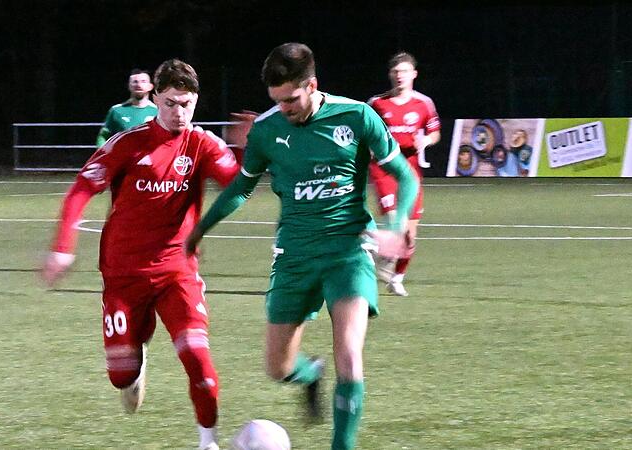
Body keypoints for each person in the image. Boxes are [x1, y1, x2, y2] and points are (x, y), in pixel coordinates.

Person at [186, 43, 419, 450]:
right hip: (294, 256)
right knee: (278, 368)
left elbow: (405, 176)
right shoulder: (267, 130)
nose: (285, 109)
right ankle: (310, 374)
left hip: (348, 250)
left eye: (291, 99)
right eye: (277, 100)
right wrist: (197, 231)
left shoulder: (356, 116)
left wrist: (396, 226)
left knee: (350, 356)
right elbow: (240, 189)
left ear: (312, 85)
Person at [42, 59, 239, 450]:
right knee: (121, 375)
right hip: (124, 275)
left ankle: (208, 443)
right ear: (156, 99)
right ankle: (137, 354)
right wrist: (63, 248)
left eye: (186, 103)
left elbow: (238, 185)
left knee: (198, 359)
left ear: (196, 101)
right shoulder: (128, 144)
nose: (178, 112)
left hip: (177, 272)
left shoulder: (202, 144)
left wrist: (246, 150)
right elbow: (80, 190)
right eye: (170, 103)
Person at [367, 51, 441, 296]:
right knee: (393, 219)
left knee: (409, 233)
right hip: (384, 169)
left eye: (405, 71)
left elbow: (435, 132)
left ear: (414, 74)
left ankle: (396, 277)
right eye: (396, 72)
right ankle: (378, 252)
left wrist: (426, 140)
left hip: (410, 171)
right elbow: (364, 130)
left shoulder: (424, 104)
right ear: (390, 74)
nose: (400, 76)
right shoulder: (377, 104)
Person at [96, 69, 158, 146]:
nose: (138, 85)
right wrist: (103, 151)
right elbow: (102, 136)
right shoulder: (116, 110)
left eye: (143, 81)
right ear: (129, 86)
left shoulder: (158, 111)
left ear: (150, 86)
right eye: (135, 82)